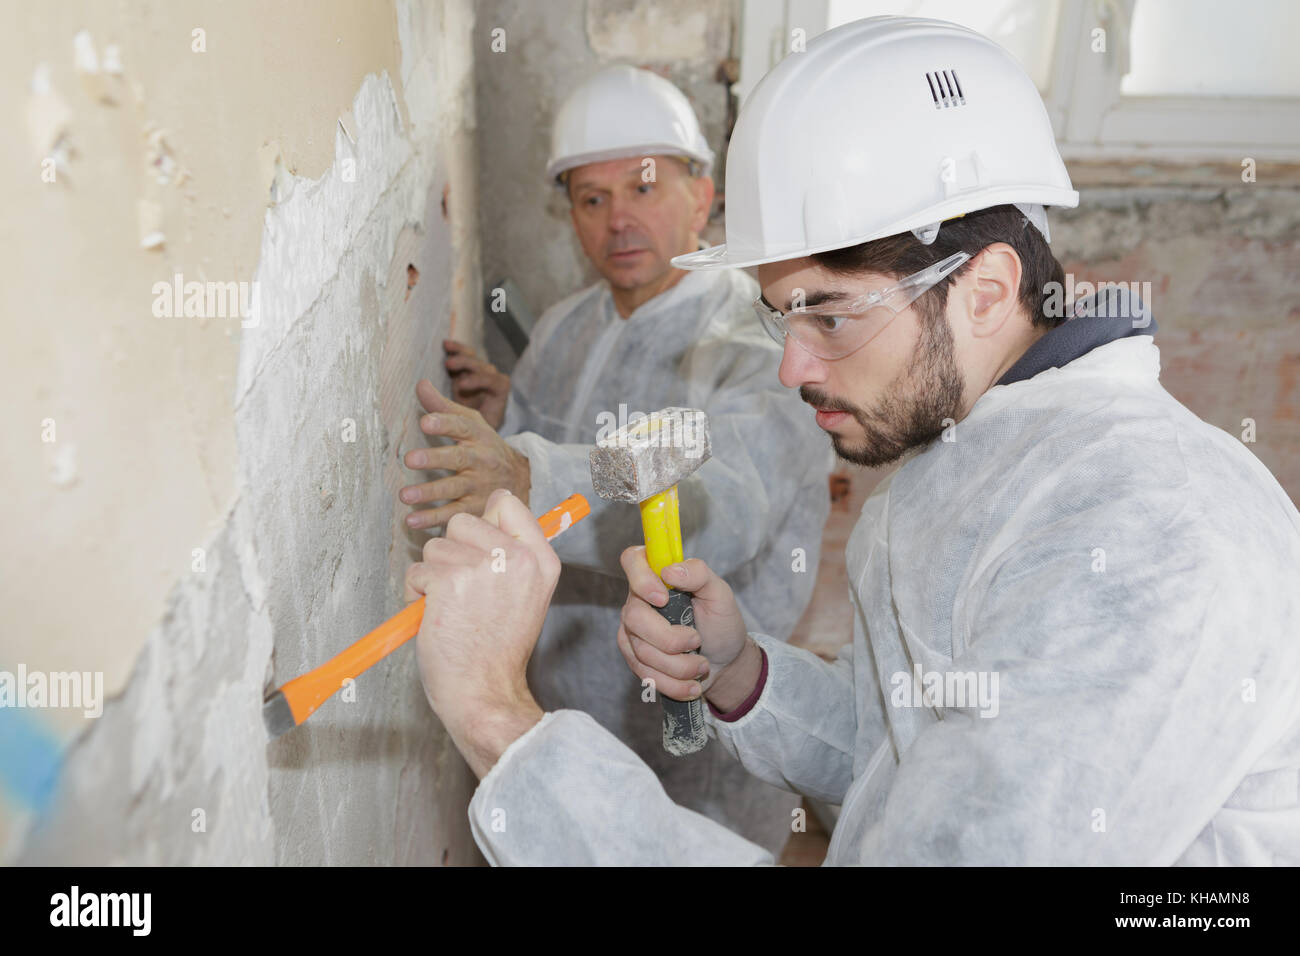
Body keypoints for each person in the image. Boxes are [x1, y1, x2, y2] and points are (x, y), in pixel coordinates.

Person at [406, 17, 1300, 865]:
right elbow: (901, 745)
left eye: (828, 315)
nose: (793, 369)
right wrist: (745, 674)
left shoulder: (1150, 538)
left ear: (986, 291)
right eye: (780, 318)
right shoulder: (955, 462)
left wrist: (495, 718)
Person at [399, 65, 832, 855]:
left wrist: (532, 475)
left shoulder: (756, 342)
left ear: (702, 198)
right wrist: (511, 423)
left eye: (642, 188)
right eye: (591, 199)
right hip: (562, 706)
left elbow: (720, 507)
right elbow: (544, 458)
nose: (617, 220)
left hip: (700, 733)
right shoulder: (564, 330)